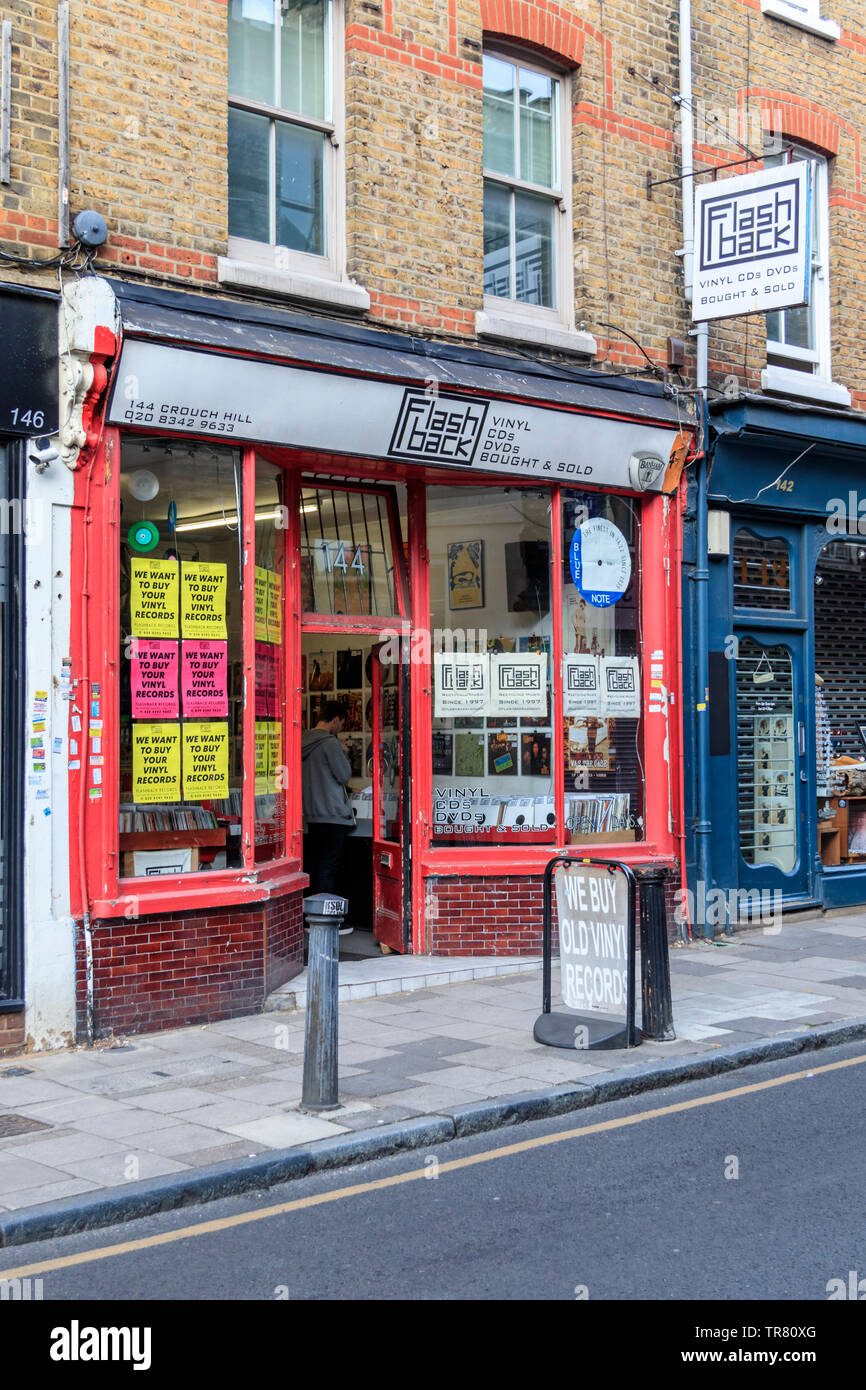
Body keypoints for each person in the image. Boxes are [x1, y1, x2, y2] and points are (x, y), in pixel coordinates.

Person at [301, 700, 354, 896]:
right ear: (335, 719)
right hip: (331, 816)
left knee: (311, 866)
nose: (340, 728)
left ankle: (309, 919)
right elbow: (343, 774)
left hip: (308, 817)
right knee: (328, 868)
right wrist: (344, 752)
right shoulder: (330, 743)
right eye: (341, 724)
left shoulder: (301, 739)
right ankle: (324, 918)